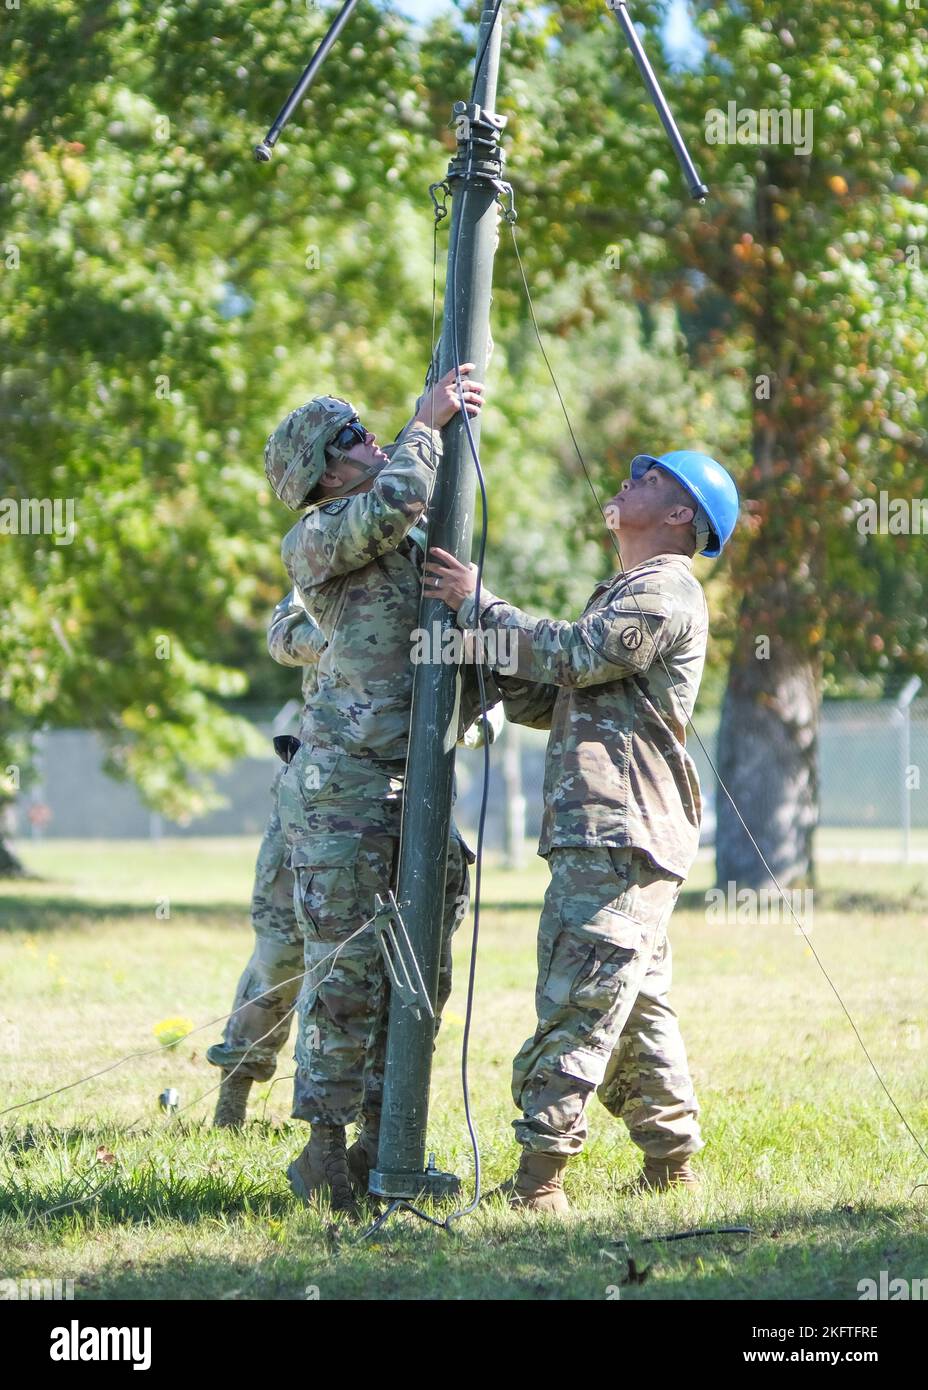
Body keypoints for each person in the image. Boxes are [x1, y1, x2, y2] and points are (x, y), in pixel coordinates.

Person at [425, 449, 739, 1212]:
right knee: (630, 1006)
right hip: (619, 832)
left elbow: (576, 654)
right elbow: (556, 694)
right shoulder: (630, 589)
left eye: (651, 479)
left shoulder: (664, 588)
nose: (628, 480)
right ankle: (671, 1168)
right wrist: (481, 654)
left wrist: (480, 606)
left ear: (679, 518)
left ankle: (539, 1185)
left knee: (576, 999)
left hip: (619, 833)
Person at [264, 364, 488, 1213]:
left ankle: (381, 1146)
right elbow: (393, 498)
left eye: (370, 431)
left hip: (413, 780)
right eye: (353, 436)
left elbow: (410, 511)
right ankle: (322, 1155)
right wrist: (427, 422)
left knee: (416, 970)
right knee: (347, 970)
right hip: (346, 787)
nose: (373, 439)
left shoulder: (398, 528)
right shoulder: (320, 535)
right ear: (324, 471)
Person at [207, 589, 326, 1127]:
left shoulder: (446, 565)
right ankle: (235, 1094)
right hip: (312, 790)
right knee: (281, 950)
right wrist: (348, 638)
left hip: (400, 797)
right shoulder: (333, 546)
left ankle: (353, 1123)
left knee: (376, 961)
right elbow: (282, 636)